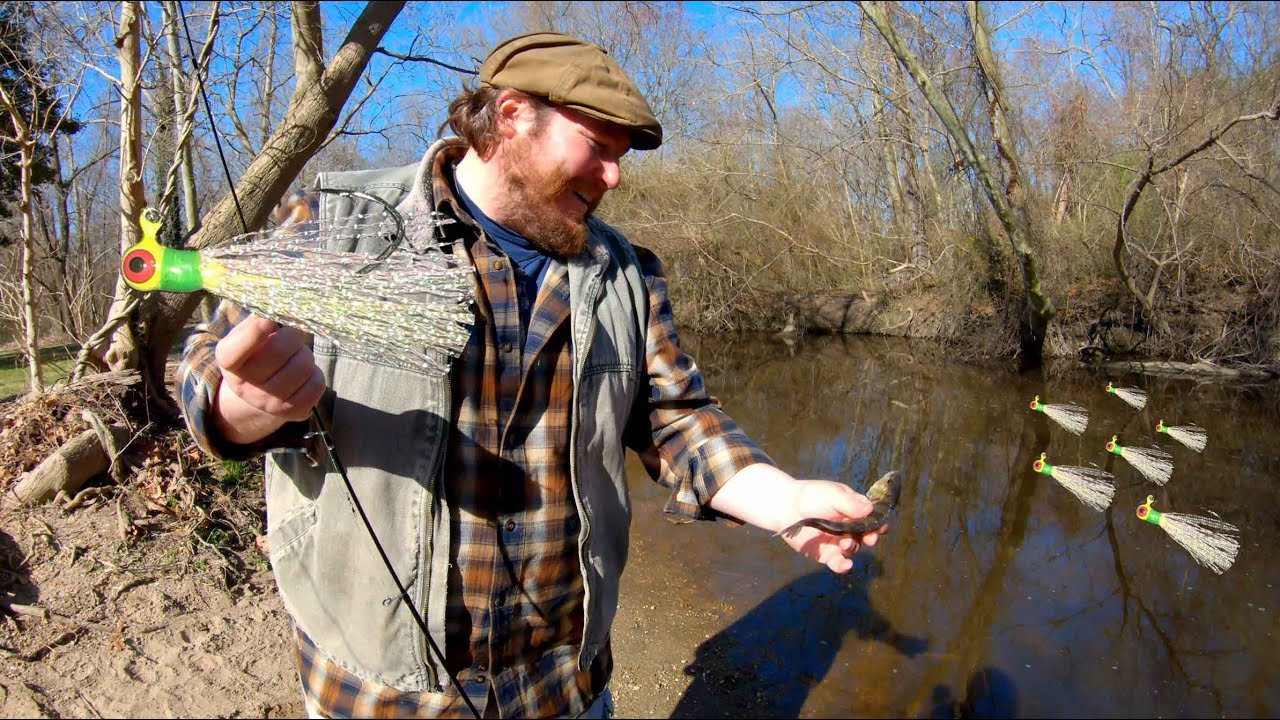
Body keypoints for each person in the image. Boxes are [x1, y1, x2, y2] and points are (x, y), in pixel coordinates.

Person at [177, 31, 888, 720]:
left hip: (561, 687)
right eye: (599, 148)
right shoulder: (337, 227)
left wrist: (785, 499)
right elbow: (206, 377)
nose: (614, 176)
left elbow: (677, 419)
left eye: (620, 159)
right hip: (382, 691)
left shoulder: (626, 274)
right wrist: (247, 404)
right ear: (512, 114)